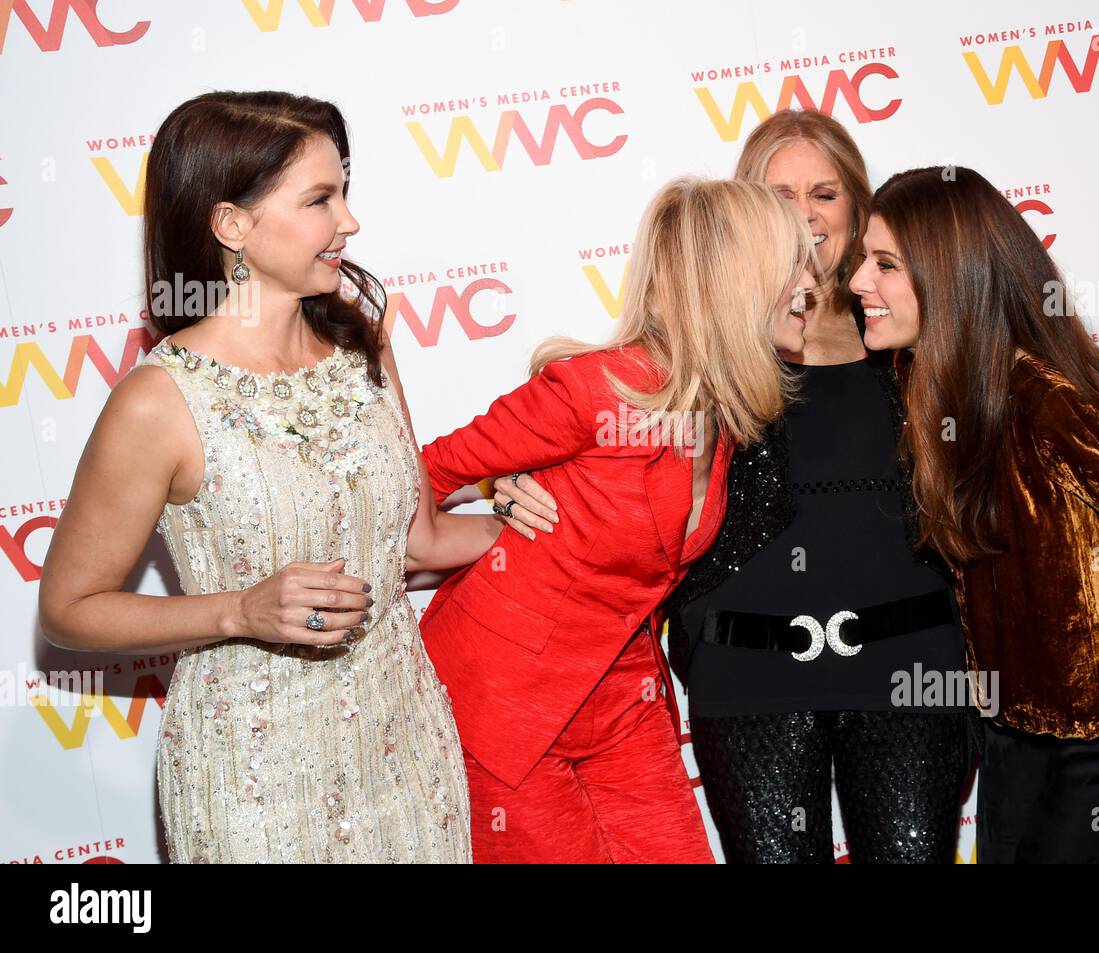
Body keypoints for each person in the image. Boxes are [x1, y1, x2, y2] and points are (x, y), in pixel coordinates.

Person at [37, 91, 504, 863]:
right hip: (252, 783)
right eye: (320, 199)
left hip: (407, 751)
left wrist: (525, 519)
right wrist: (239, 611)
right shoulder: (161, 400)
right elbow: (68, 607)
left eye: (344, 192)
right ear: (233, 226)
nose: (348, 221)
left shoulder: (366, 349)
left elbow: (416, 538)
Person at [849, 165, 1099, 863]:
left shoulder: (1050, 405)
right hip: (1020, 719)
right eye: (864, 259)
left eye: (884, 264)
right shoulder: (926, 383)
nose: (858, 281)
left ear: (949, 275)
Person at [416, 177, 816, 863]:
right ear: (741, 281)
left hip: (623, 701)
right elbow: (415, 478)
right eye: (797, 265)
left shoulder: (724, 415)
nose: (812, 283)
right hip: (505, 708)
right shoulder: (593, 388)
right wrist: (495, 511)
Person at [659, 110, 972, 864]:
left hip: (910, 673)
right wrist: (510, 484)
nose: (804, 213)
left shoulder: (906, 330)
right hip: (754, 676)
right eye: (781, 193)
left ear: (858, 207)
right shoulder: (708, 335)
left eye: (825, 192)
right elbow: (599, 415)